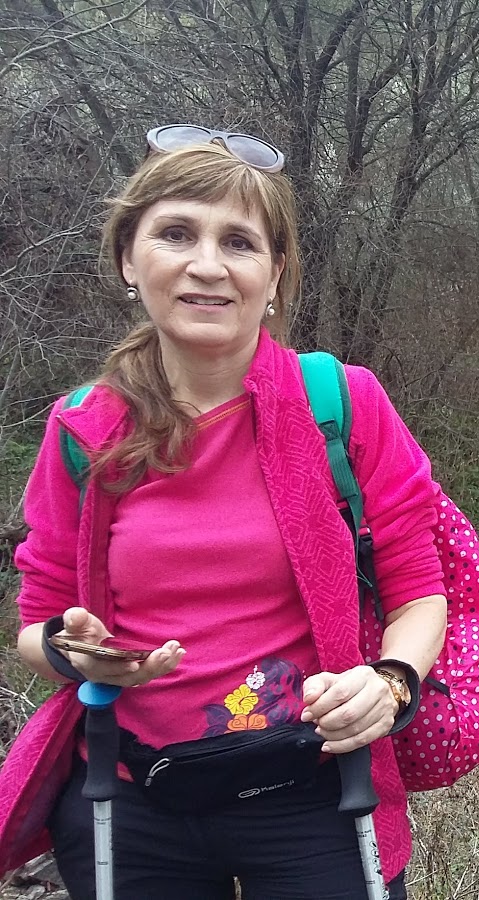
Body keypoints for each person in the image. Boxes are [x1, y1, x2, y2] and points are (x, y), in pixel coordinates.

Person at [0, 126, 447, 898]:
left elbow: (418, 589)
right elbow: (37, 626)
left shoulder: (341, 403)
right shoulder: (84, 429)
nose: (207, 264)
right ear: (128, 259)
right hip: (133, 802)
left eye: (238, 242)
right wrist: (79, 654)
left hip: (318, 790)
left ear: (276, 274)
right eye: (176, 233)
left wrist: (391, 682)